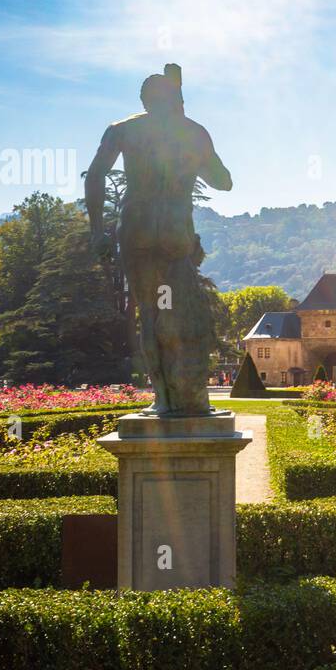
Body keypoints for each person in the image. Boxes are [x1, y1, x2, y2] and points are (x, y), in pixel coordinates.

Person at [84, 64, 233, 416]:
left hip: (136, 229)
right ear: (176, 98)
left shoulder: (123, 130)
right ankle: (190, 395)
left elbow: (95, 177)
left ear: (144, 100)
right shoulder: (193, 132)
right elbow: (223, 181)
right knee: (175, 309)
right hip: (174, 232)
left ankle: (163, 397)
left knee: (151, 312)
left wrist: (96, 231)